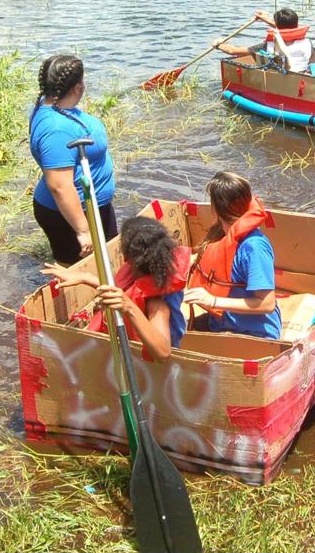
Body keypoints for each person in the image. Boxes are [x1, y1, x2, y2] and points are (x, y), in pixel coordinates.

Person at [41, 215, 190, 362]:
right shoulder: (149, 273)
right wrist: (85, 277)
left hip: (154, 371)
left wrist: (130, 308)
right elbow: (123, 290)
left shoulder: (156, 302)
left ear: (126, 257)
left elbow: (163, 353)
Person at [29, 54, 117, 265]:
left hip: (94, 207)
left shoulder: (50, 105)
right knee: (78, 274)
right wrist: (83, 230)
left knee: (110, 262)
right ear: (78, 87)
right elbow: (59, 186)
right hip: (73, 214)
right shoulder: (57, 129)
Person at [184, 172, 282, 341]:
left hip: (253, 334)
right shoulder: (220, 234)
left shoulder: (254, 248)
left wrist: (213, 301)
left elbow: (267, 304)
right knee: (173, 332)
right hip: (222, 322)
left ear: (215, 209)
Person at [215, 8, 315, 75]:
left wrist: (218, 45)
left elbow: (233, 51)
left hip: (279, 80)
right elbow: (288, 30)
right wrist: (266, 20)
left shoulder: (268, 46)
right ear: (296, 23)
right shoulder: (307, 43)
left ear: (277, 25)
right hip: (302, 74)